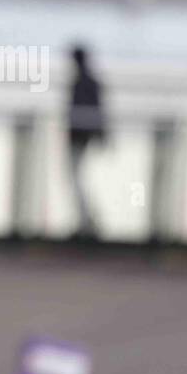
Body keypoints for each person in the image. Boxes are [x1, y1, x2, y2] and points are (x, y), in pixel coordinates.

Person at [66, 44, 107, 239]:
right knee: (79, 179)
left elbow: (86, 111)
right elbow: (99, 110)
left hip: (79, 136)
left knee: (77, 179)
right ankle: (87, 221)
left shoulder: (81, 82)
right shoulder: (91, 81)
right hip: (83, 135)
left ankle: (87, 222)